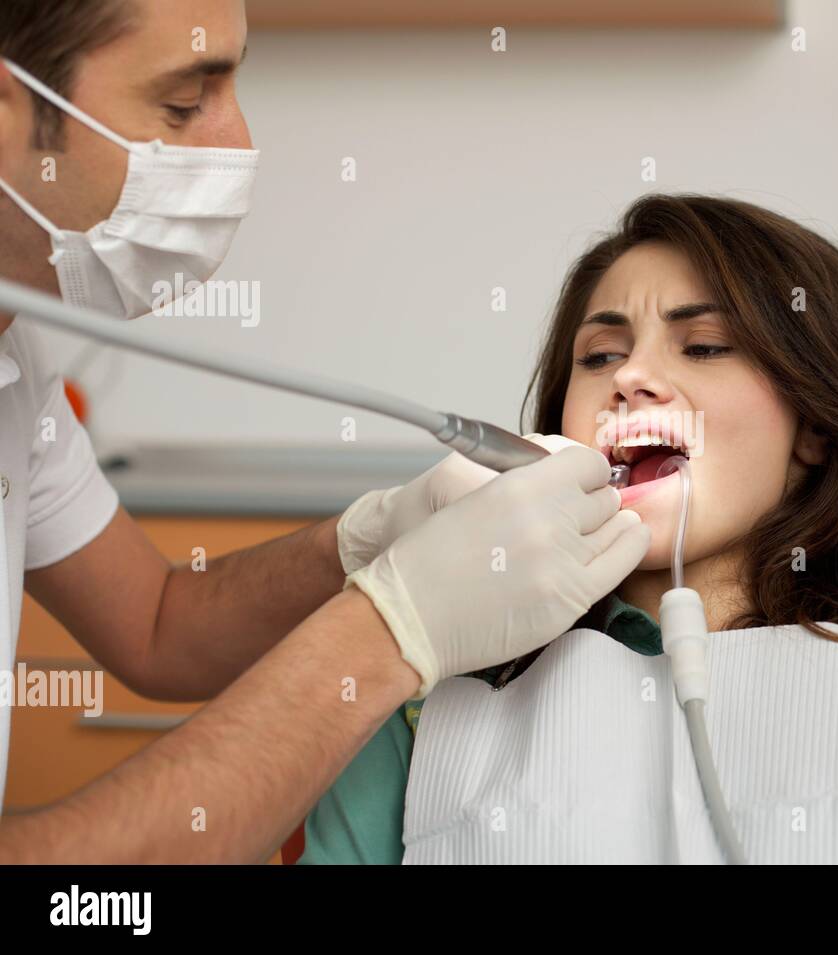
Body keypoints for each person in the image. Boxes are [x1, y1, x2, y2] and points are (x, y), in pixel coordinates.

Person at [0, 0, 651, 863]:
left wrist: (368, 541)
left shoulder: (18, 367)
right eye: (184, 104)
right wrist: (394, 630)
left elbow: (159, 625)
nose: (237, 145)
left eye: (708, 345)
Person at [302, 194, 838, 864]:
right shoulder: (435, 664)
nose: (629, 377)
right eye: (600, 353)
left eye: (704, 344)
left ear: (813, 423)